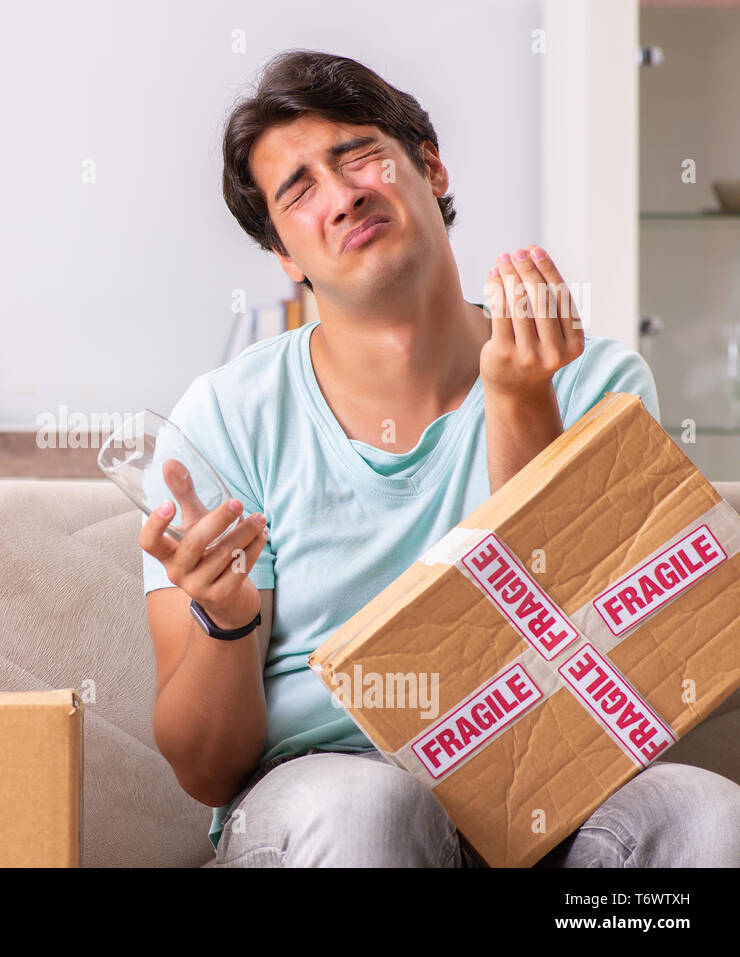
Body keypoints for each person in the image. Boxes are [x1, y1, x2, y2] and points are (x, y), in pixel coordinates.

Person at [138, 49, 740, 867]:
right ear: (285, 254)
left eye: (359, 154)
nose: (344, 193)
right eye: (300, 189)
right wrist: (226, 619)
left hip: (549, 783)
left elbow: (608, 656)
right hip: (328, 796)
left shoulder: (594, 379)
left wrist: (523, 404)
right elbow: (207, 771)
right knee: (373, 806)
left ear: (429, 165)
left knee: (706, 811)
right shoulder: (222, 421)